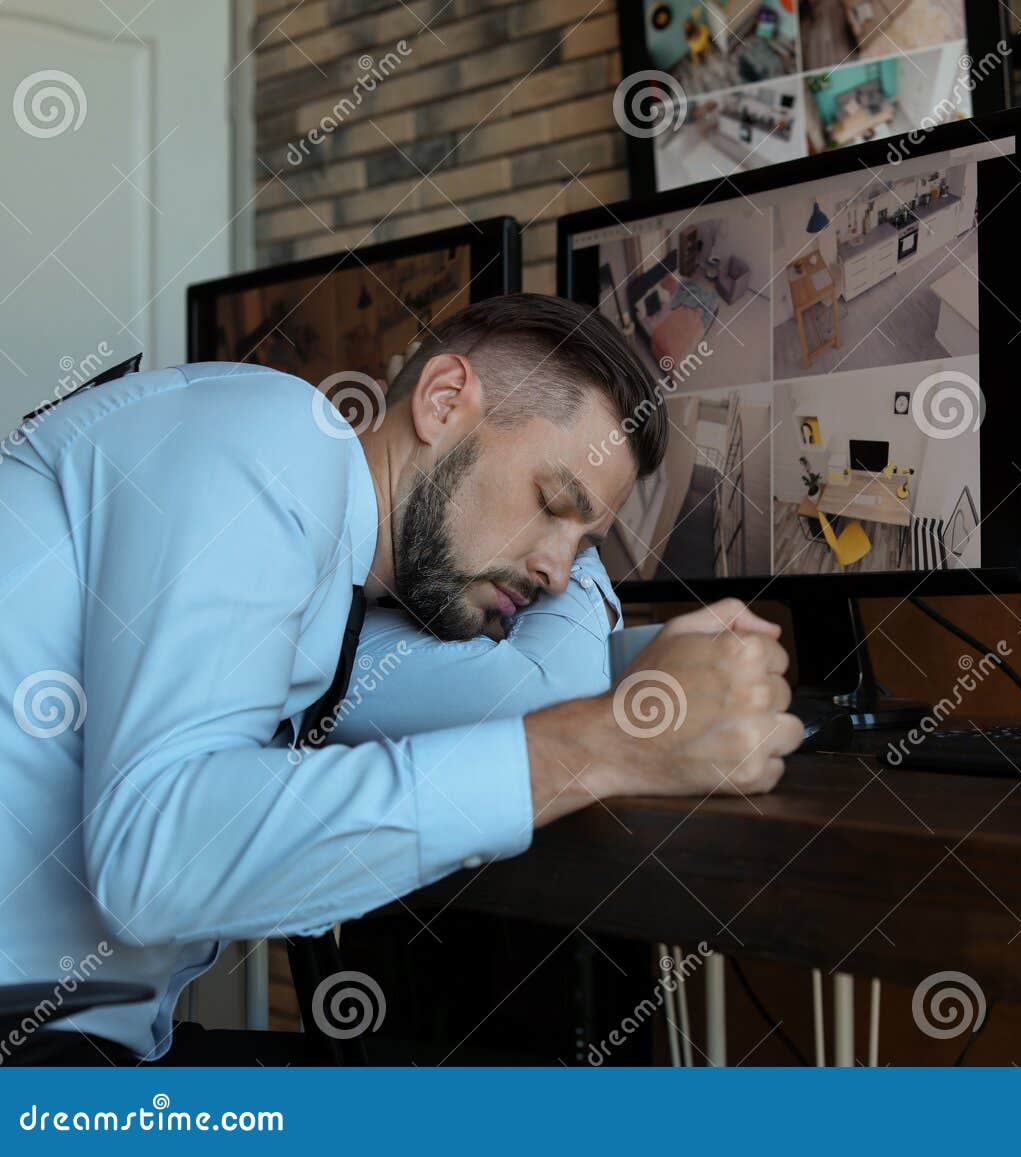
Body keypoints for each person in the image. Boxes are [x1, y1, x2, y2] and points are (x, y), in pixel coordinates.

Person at [0, 293, 802, 1063]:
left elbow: (529, 692)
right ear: (444, 401)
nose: (559, 572)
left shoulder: (342, 591)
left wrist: (664, 671)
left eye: (587, 545)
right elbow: (155, 860)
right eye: (553, 501)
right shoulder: (276, 435)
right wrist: (604, 743)